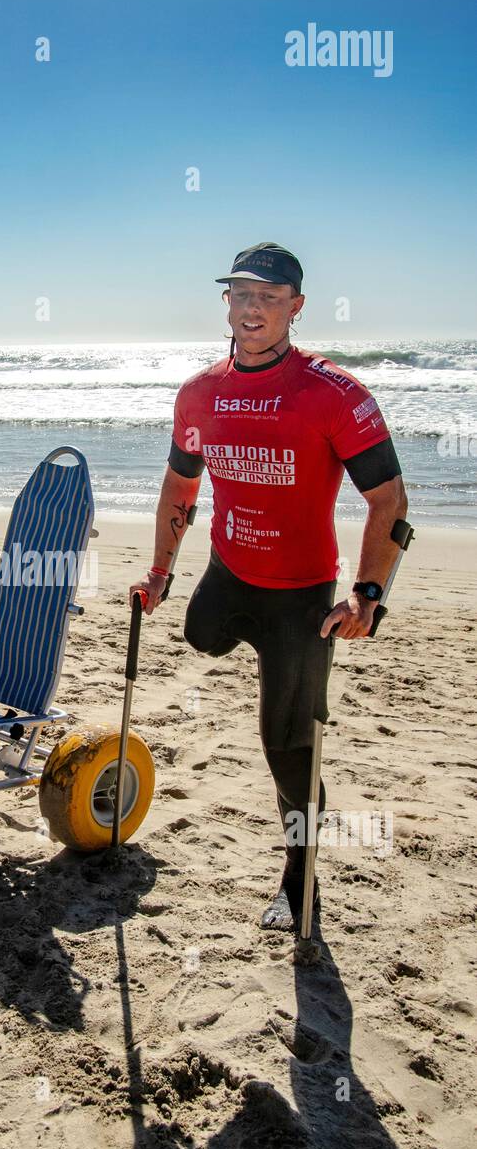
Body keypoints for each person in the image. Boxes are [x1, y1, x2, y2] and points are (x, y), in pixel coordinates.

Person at [131, 243, 408, 930]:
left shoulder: (335, 395)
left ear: (296, 308)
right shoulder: (200, 393)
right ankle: (243, 639)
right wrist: (161, 571)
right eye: (242, 295)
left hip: (302, 598)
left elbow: (390, 502)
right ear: (227, 302)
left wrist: (367, 596)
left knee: (287, 749)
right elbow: (180, 484)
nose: (253, 309)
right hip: (230, 573)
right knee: (201, 633)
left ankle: (300, 882)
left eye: (269, 297)